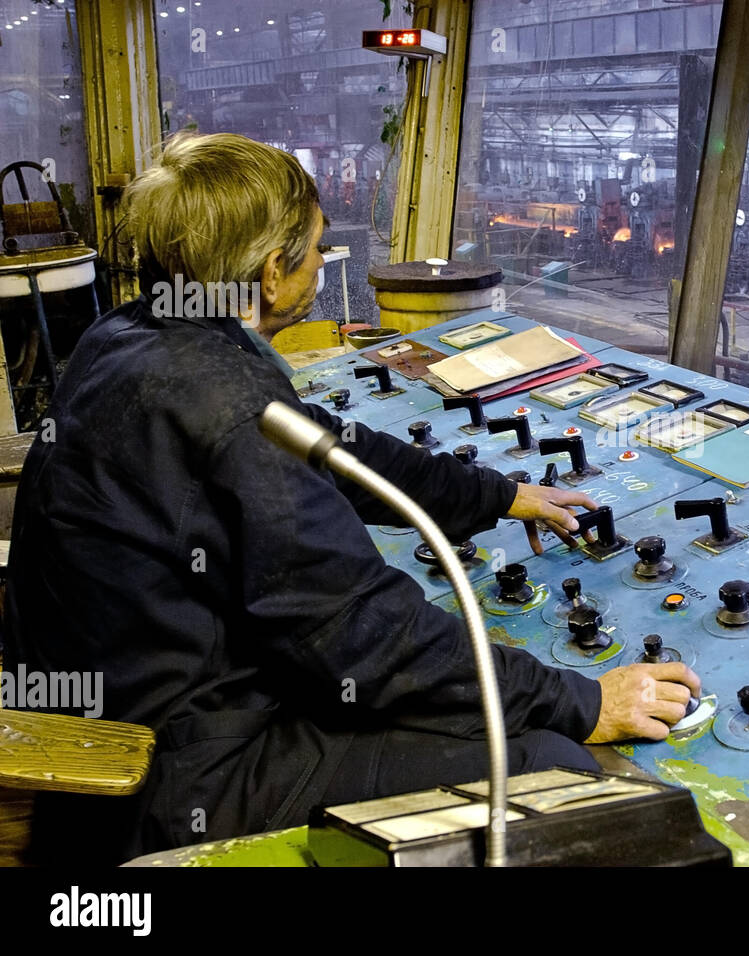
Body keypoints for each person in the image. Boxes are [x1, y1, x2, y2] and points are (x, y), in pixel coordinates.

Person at [2, 132, 700, 863]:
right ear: (273, 273)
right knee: (555, 769)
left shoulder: (132, 334)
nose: (318, 265)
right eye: (314, 250)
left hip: (123, 717)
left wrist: (496, 495)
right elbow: (362, 635)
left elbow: (339, 450)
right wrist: (584, 700)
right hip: (179, 776)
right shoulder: (228, 401)